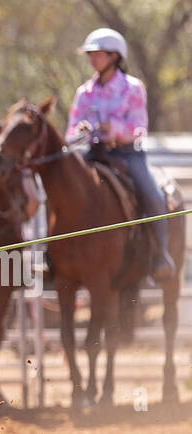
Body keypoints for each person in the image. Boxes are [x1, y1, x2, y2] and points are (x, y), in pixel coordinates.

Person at [67, 28, 174, 283]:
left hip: (127, 155)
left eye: (98, 54)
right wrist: (79, 132)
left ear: (114, 56)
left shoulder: (132, 88)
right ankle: (54, 254)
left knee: (154, 196)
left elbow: (139, 128)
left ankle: (160, 254)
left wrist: (110, 128)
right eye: (91, 55)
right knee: (63, 186)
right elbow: (71, 128)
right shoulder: (84, 92)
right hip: (93, 154)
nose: (92, 59)